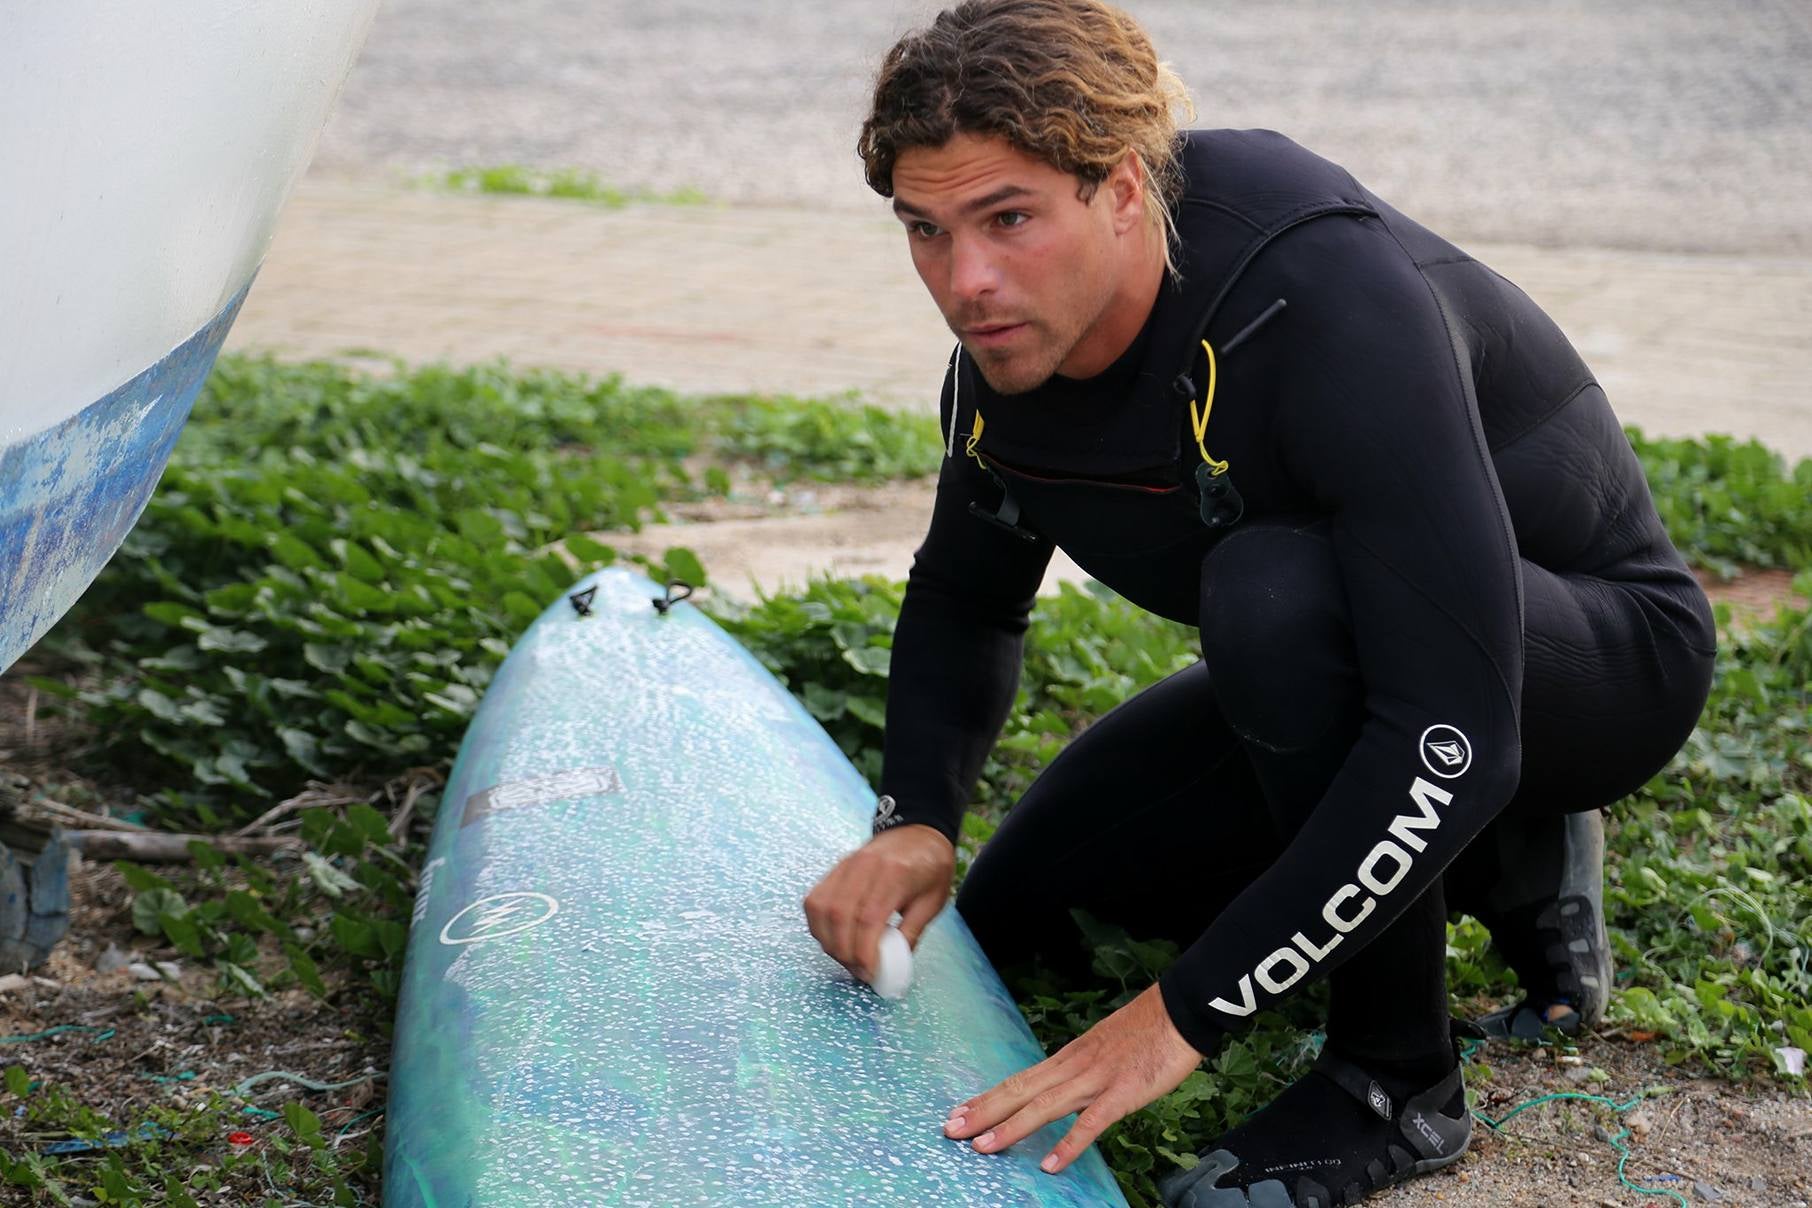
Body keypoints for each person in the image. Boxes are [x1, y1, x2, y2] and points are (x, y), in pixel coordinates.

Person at [801, 2, 1717, 1204]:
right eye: (927, 231)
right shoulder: (1011, 345)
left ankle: (1395, 1078)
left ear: (1122, 189)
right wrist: (915, 814)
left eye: (1009, 218)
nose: (966, 282)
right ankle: (1509, 858)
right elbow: (969, 599)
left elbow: (1456, 731)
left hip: (1588, 666)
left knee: (1275, 589)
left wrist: (1177, 1017)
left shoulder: (1319, 296)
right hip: (1366, 664)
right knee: (1018, 924)